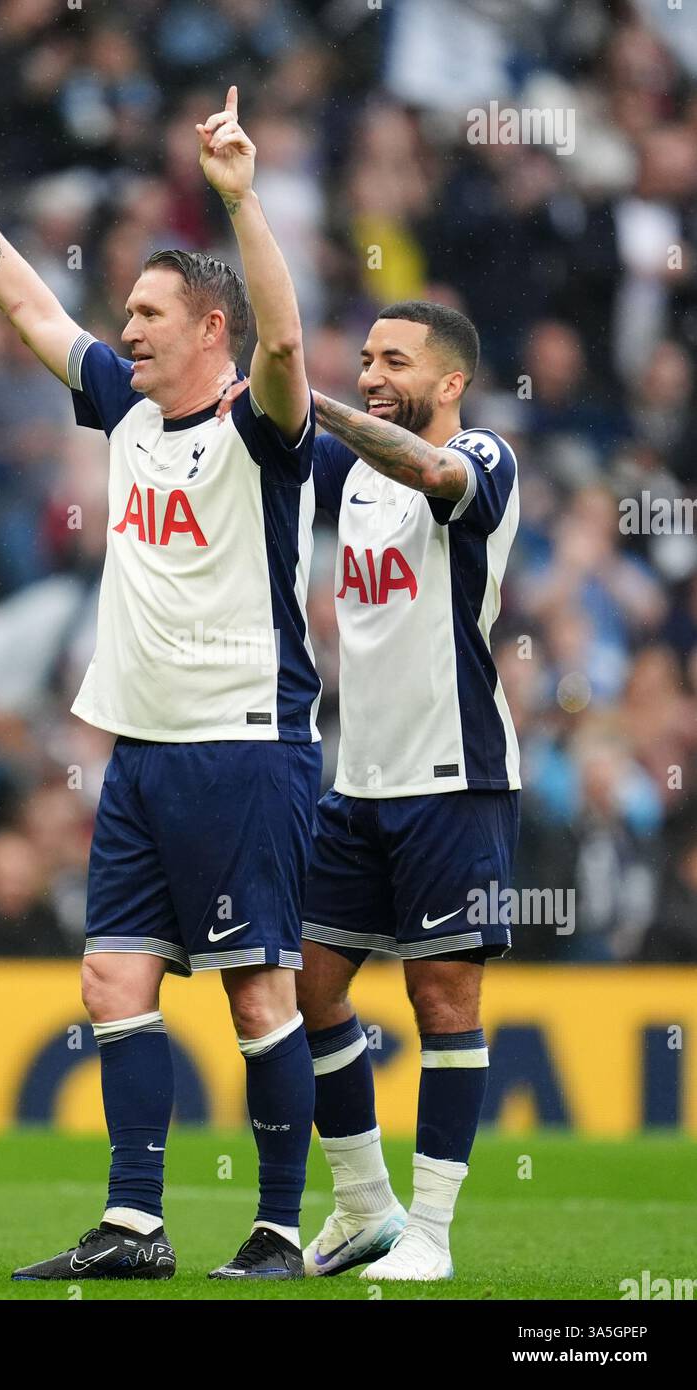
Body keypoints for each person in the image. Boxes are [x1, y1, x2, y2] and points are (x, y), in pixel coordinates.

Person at [0, 87, 322, 1281]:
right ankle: (137, 1222)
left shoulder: (265, 428)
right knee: (110, 979)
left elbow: (291, 344)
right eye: (127, 313)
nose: (125, 329)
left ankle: (281, 1229)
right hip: (142, 749)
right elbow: (31, 307)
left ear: (210, 328)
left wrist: (240, 199)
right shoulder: (126, 413)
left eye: (148, 314)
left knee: (258, 999)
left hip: (246, 742)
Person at [221, 301, 520, 1281]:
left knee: (443, 995)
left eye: (396, 359)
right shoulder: (347, 475)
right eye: (365, 357)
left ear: (449, 383)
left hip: (454, 775)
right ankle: (364, 1206)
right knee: (309, 981)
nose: (375, 369)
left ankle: (431, 1231)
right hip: (362, 778)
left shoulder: (481, 456)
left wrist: (330, 404)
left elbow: (430, 472)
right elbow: (284, 421)